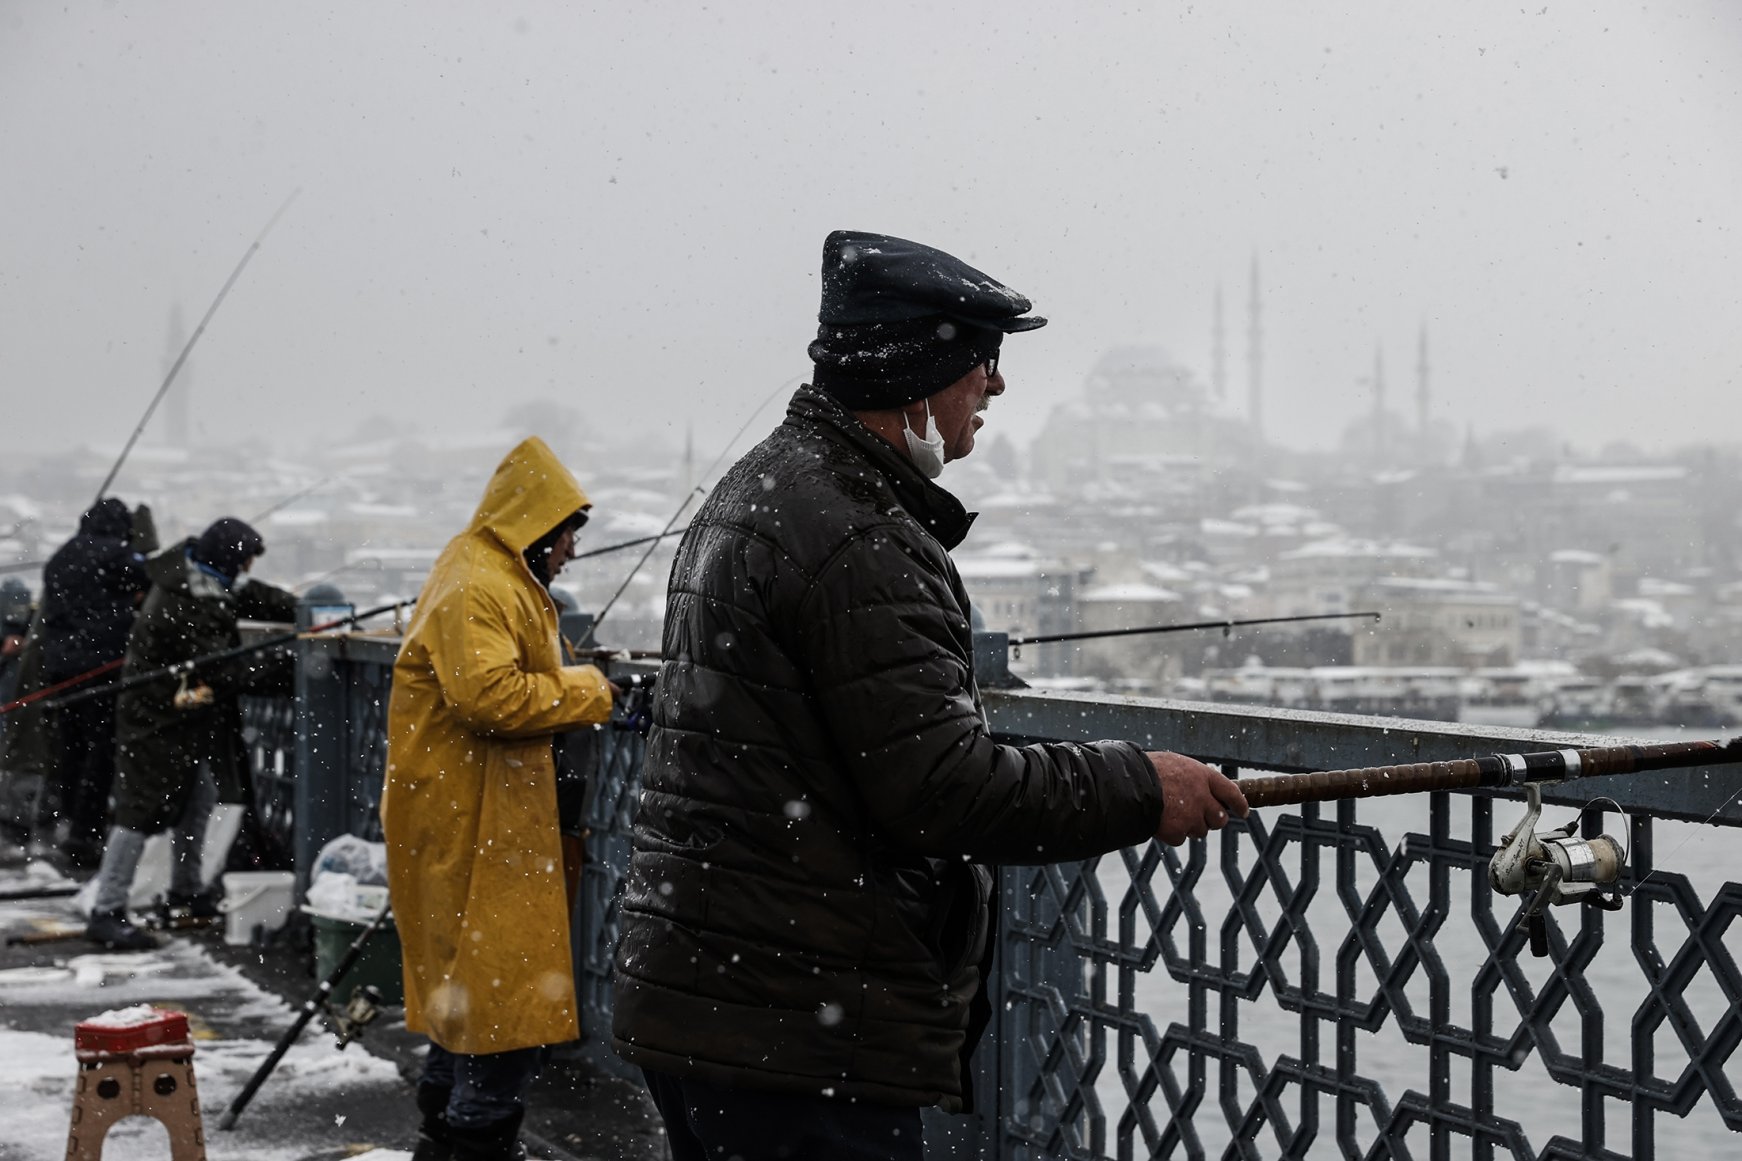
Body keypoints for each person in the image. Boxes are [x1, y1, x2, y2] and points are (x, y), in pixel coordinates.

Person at [612, 230, 1251, 1158]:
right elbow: (939, 787)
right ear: (917, 374)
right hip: (796, 1020)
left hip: (726, 993)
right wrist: (1141, 785)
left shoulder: (762, 488)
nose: (995, 387)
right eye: (981, 362)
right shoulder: (858, 533)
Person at [380, 437, 616, 1161]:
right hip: (478, 822)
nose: (573, 548)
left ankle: (444, 1136)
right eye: (569, 529)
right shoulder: (482, 584)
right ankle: (473, 1143)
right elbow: (490, 697)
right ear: (537, 526)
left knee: (469, 1002)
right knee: (503, 1010)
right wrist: (592, 688)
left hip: (467, 816)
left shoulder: (478, 570)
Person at [85, 516, 297, 950]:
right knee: (138, 813)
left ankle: (185, 890)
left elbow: (248, 596)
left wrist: (301, 609)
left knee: (194, 800)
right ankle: (106, 910)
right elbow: (223, 668)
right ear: (227, 560)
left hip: (181, 717)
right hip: (156, 719)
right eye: (244, 563)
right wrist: (288, 668)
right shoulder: (186, 601)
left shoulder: (202, 581)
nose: (245, 573)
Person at [36, 498, 155, 867]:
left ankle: (70, 819)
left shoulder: (61, 556)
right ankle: (87, 833)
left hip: (61, 668)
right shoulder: (117, 553)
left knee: (70, 748)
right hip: (102, 666)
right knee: (100, 751)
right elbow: (150, 578)